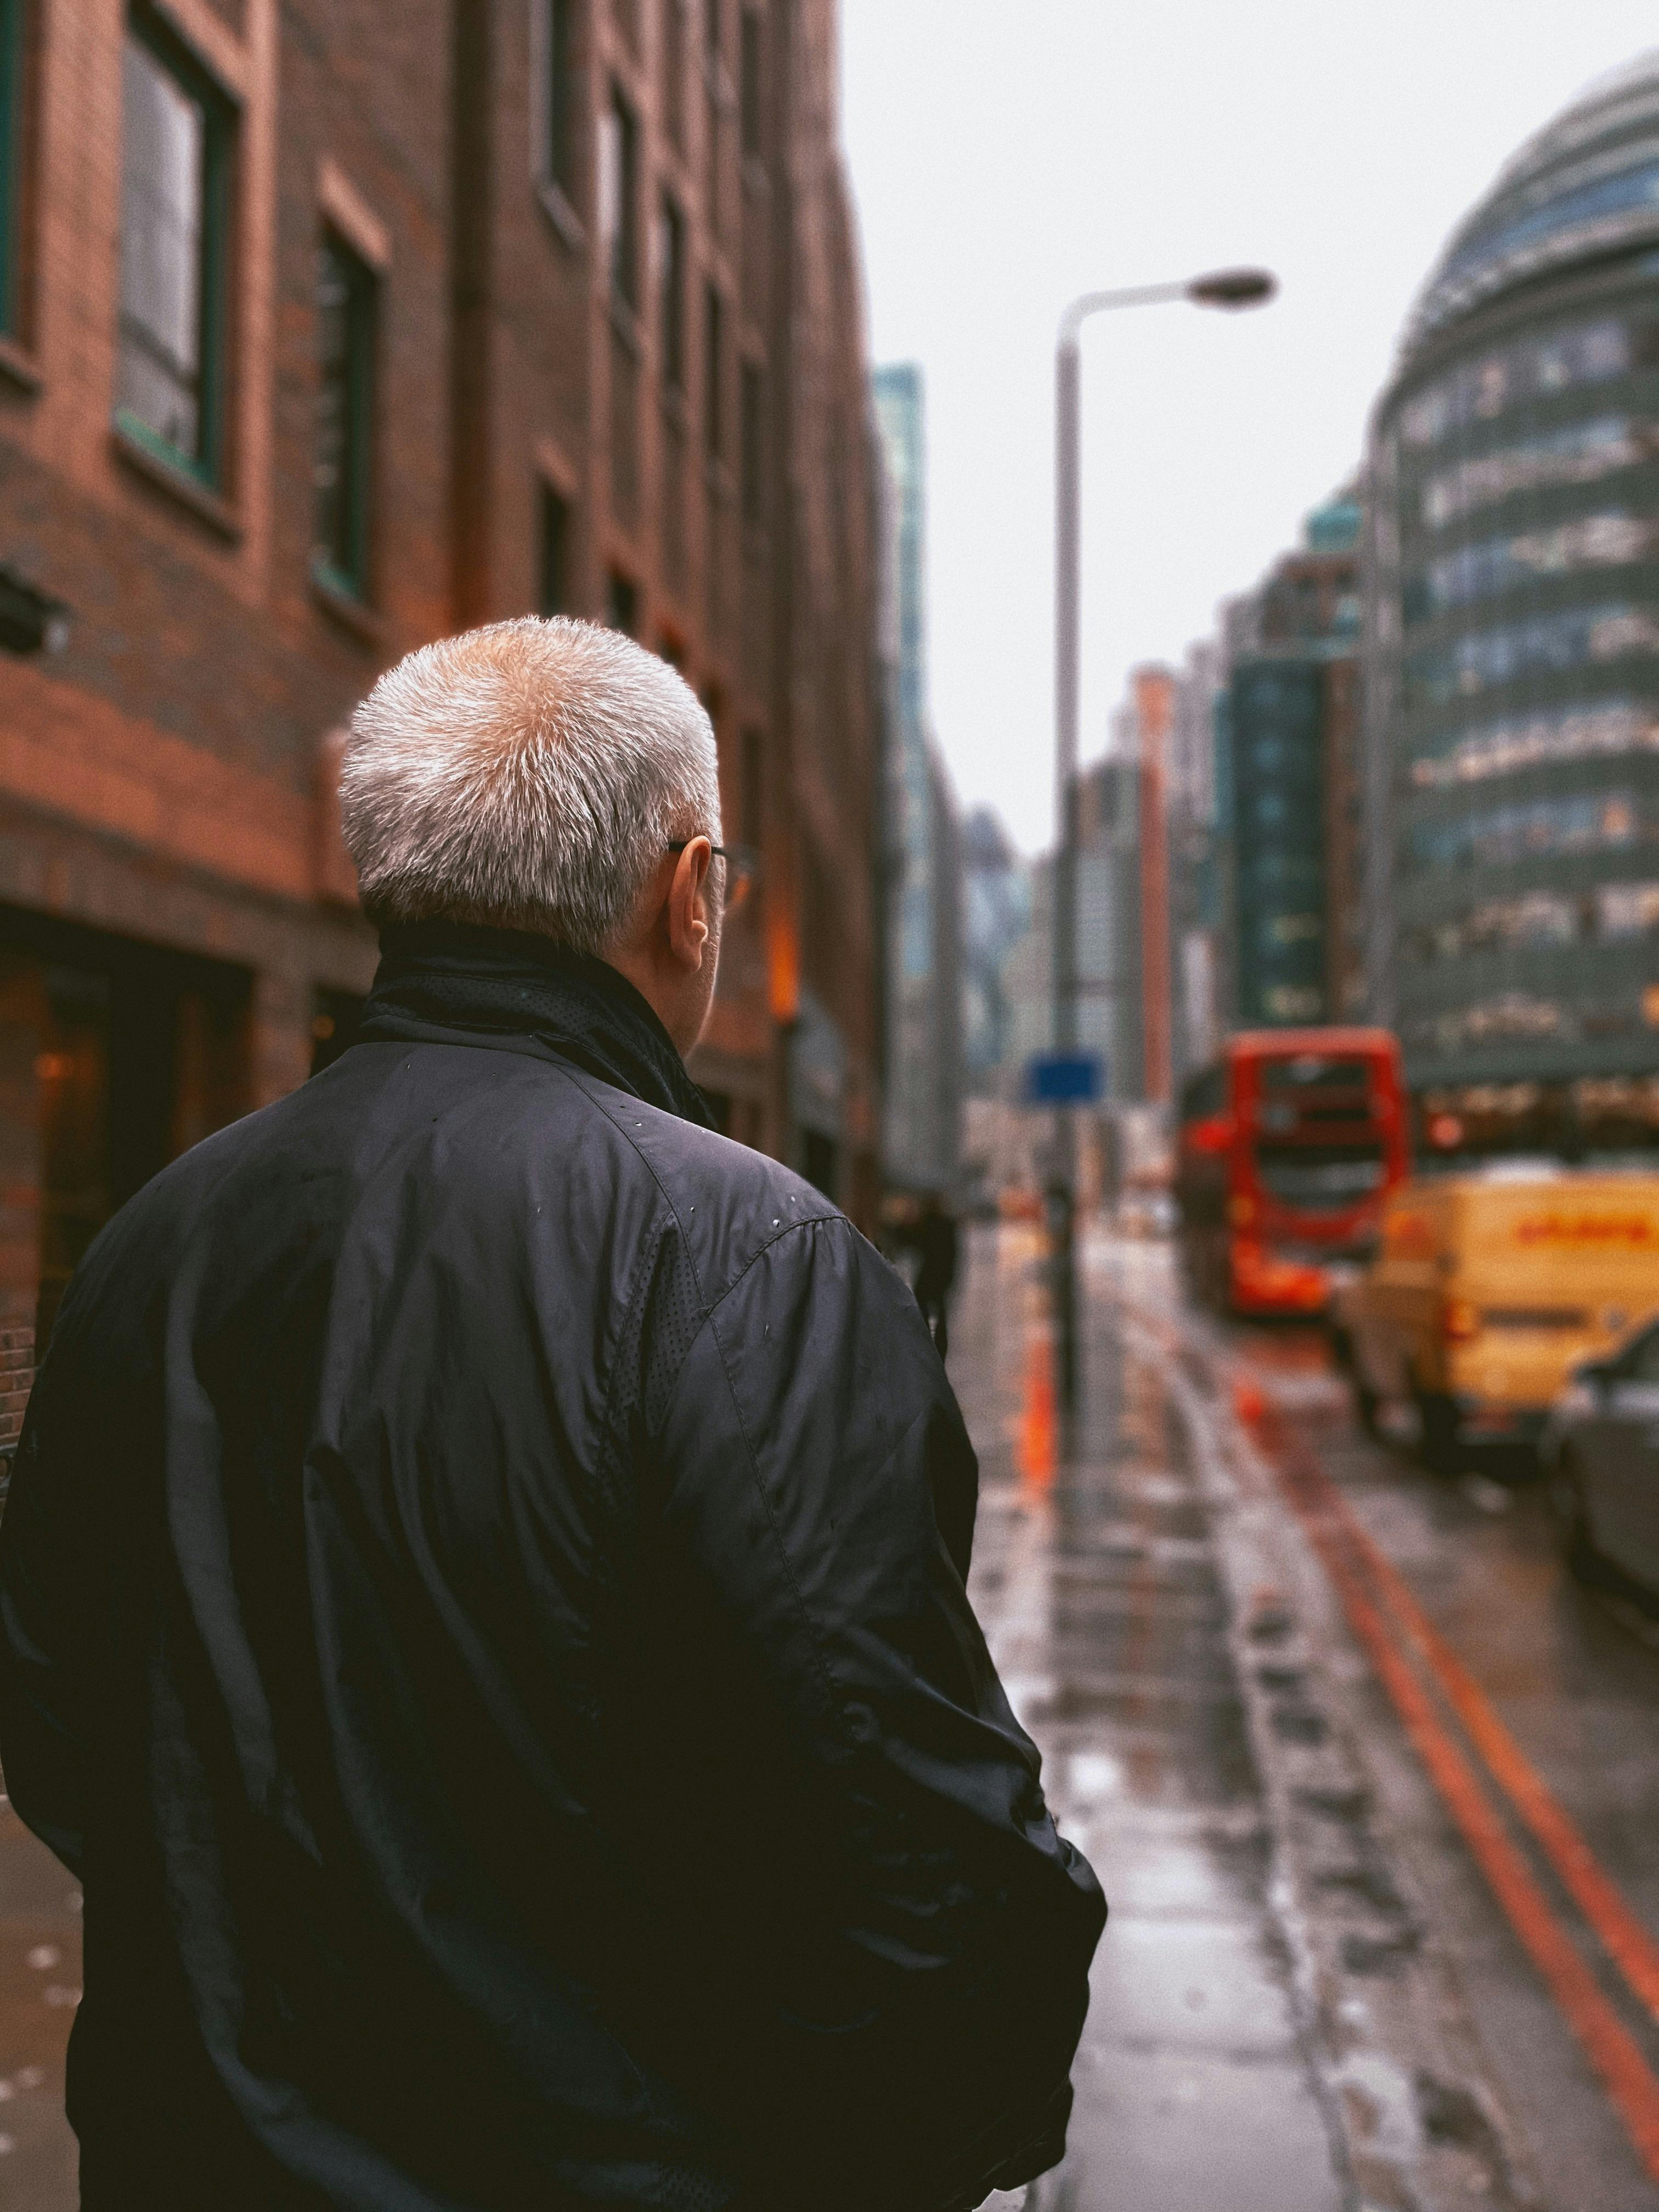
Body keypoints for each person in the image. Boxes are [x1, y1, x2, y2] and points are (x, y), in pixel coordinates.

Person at [0, 618, 1104, 2211]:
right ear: (691, 892)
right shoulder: (748, 1263)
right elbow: (923, 1879)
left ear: (391, 880)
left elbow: (61, 1725)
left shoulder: (148, 1246)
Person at [913, 1192, 961, 1358]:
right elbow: (954, 1254)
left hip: (932, 1274)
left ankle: (930, 1342)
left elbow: (915, 1243)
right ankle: (937, 1346)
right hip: (939, 1274)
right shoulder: (944, 1224)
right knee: (936, 1310)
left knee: (927, 1307)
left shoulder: (928, 1224)